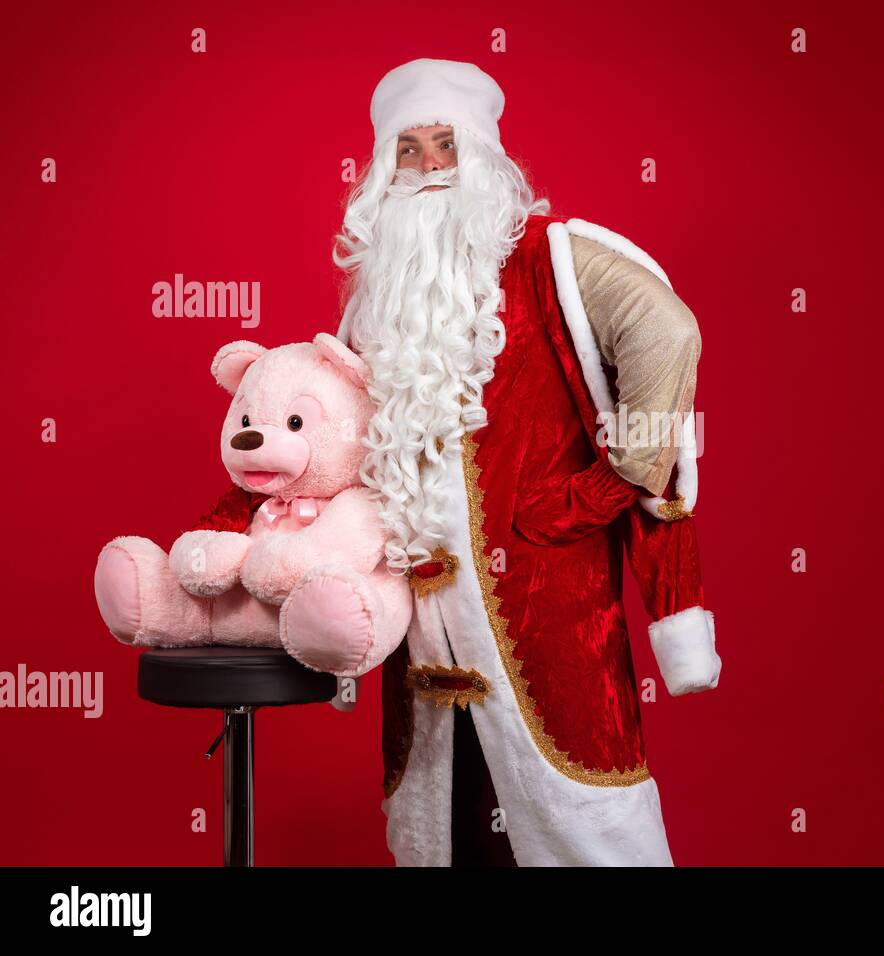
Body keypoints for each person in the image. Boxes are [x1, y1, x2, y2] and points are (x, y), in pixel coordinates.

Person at [193, 58, 721, 866]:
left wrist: (613, 481)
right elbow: (328, 449)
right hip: (425, 650)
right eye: (409, 149)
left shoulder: (553, 257)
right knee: (452, 836)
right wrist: (233, 541)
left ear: (483, 159)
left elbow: (667, 334)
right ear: (383, 173)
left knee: (581, 835)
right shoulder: (379, 297)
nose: (432, 166)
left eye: (448, 145)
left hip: (548, 630)